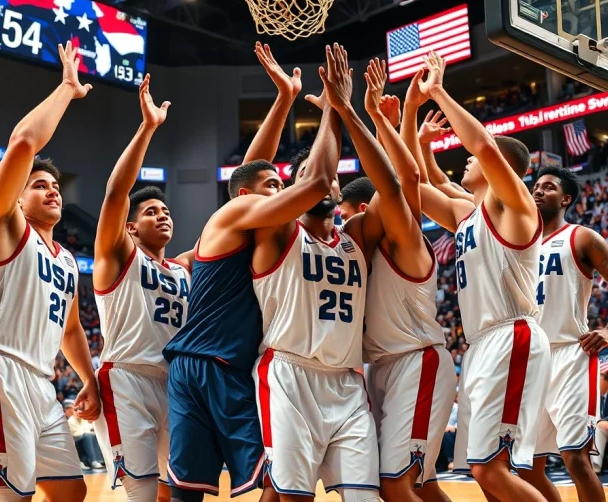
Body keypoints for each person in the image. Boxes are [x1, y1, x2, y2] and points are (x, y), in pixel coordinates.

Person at [252, 50, 410, 502]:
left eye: (330, 179)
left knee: (365, 497)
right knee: (289, 497)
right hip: (289, 376)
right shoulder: (277, 232)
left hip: (346, 381)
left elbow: (395, 187)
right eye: (304, 177)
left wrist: (350, 111)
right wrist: (332, 114)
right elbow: (314, 177)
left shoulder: (356, 235)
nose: (322, 183)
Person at [0, 41, 100, 501]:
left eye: (56, 186)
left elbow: (72, 329)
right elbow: (23, 142)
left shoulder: (66, 258)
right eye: (39, 185)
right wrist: (66, 90)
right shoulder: (3, 226)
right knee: (10, 496)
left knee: (71, 492)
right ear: (17, 198)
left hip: (39, 381)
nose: (53, 192)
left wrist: (91, 381)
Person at [162, 42, 301, 502]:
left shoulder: (235, 222)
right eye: (273, 189)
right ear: (245, 196)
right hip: (217, 364)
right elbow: (255, 181)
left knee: (190, 488)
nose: (278, 195)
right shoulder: (234, 217)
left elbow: (251, 173)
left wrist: (283, 99)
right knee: (273, 478)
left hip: (198, 364)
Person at [411, 52, 550, 502]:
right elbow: (412, 185)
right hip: (481, 345)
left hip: (512, 335)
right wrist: (413, 128)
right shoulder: (467, 215)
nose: (465, 163)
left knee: (487, 469)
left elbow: (485, 148)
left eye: (472, 160)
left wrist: (438, 92)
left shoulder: (516, 207)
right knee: (488, 472)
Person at [91, 74, 191, 502]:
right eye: (152, 211)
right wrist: (147, 128)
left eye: (166, 210)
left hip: (173, 383)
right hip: (127, 379)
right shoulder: (118, 256)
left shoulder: (184, 268)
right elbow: (116, 192)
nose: (163, 215)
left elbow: (240, 212)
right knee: (143, 494)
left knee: (175, 491)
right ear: (131, 227)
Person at [361, 64, 455, 502]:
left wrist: (390, 119)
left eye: (352, 214)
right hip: (385, 366)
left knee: (394, 484)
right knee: (423, 484)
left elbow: (403, 180)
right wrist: (405, 113)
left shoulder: (405, 242)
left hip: (416, 361)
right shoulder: (357, 257)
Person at [519, 166, 608, 501]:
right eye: (536, 186)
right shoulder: (520, 244)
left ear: (566, 198)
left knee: (575, 458)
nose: (538, 191)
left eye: (549, 187)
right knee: (527, 466)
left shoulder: (581, 237)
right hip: (531, 358)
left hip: (571, 354)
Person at [64, 399, 105, 471]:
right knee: (87, 436)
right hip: (76, 440)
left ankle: (100, 459)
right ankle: (93, 461)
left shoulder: (84, 419)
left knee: (94, 436)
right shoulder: (71, 420)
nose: (78, 412)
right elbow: (75, 433)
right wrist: (86, 431)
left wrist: (87, 431)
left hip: (84, 437)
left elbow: (90, 429)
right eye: (76, 411)